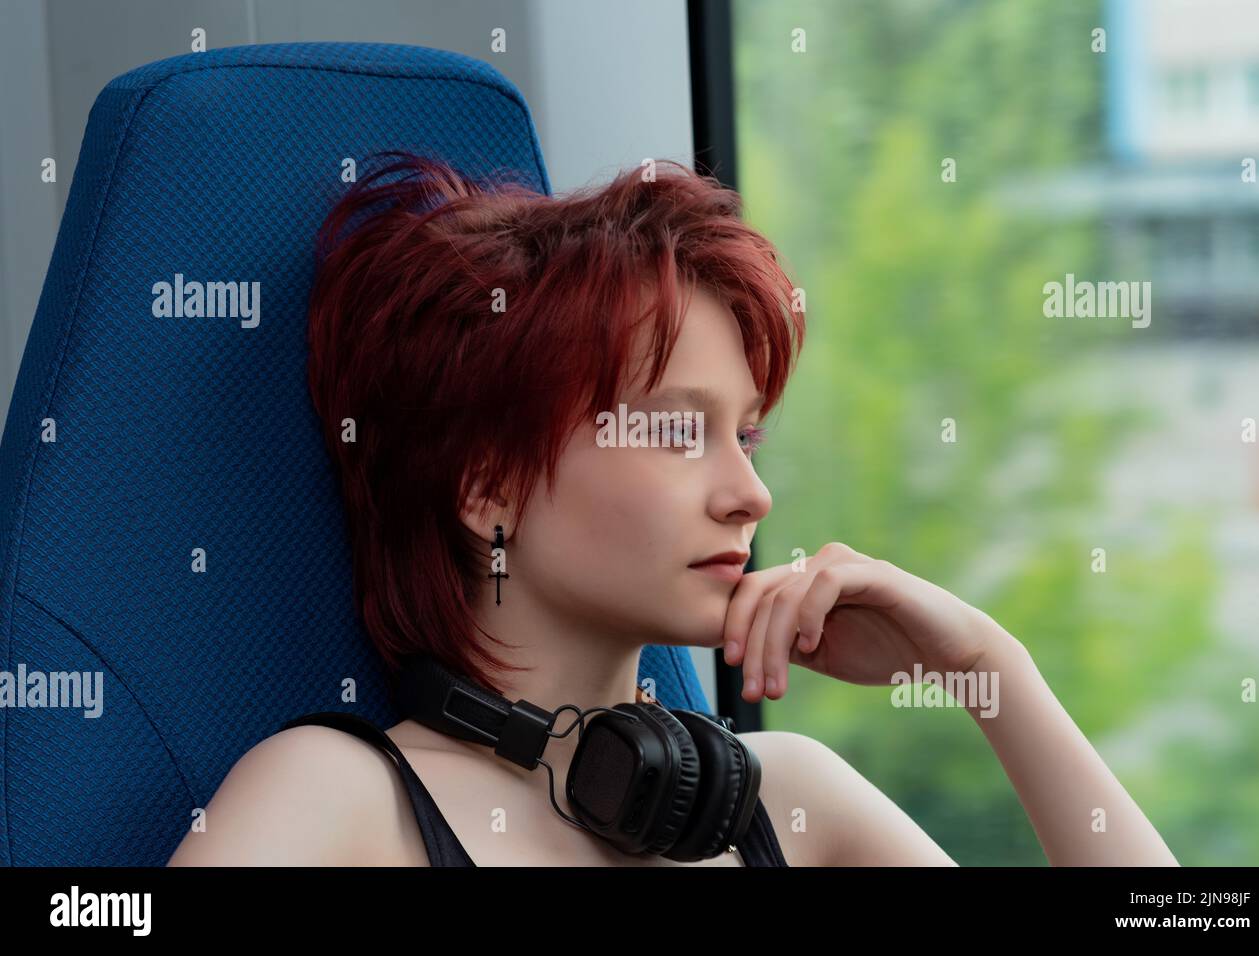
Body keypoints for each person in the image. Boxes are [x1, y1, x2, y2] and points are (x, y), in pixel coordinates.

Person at [168, 154, 1179, 867]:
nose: (751, 493)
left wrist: (984, 669)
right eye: (673, 429)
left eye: (744, 435)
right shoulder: (336, 798)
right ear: (486, 484)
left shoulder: (788, 799)